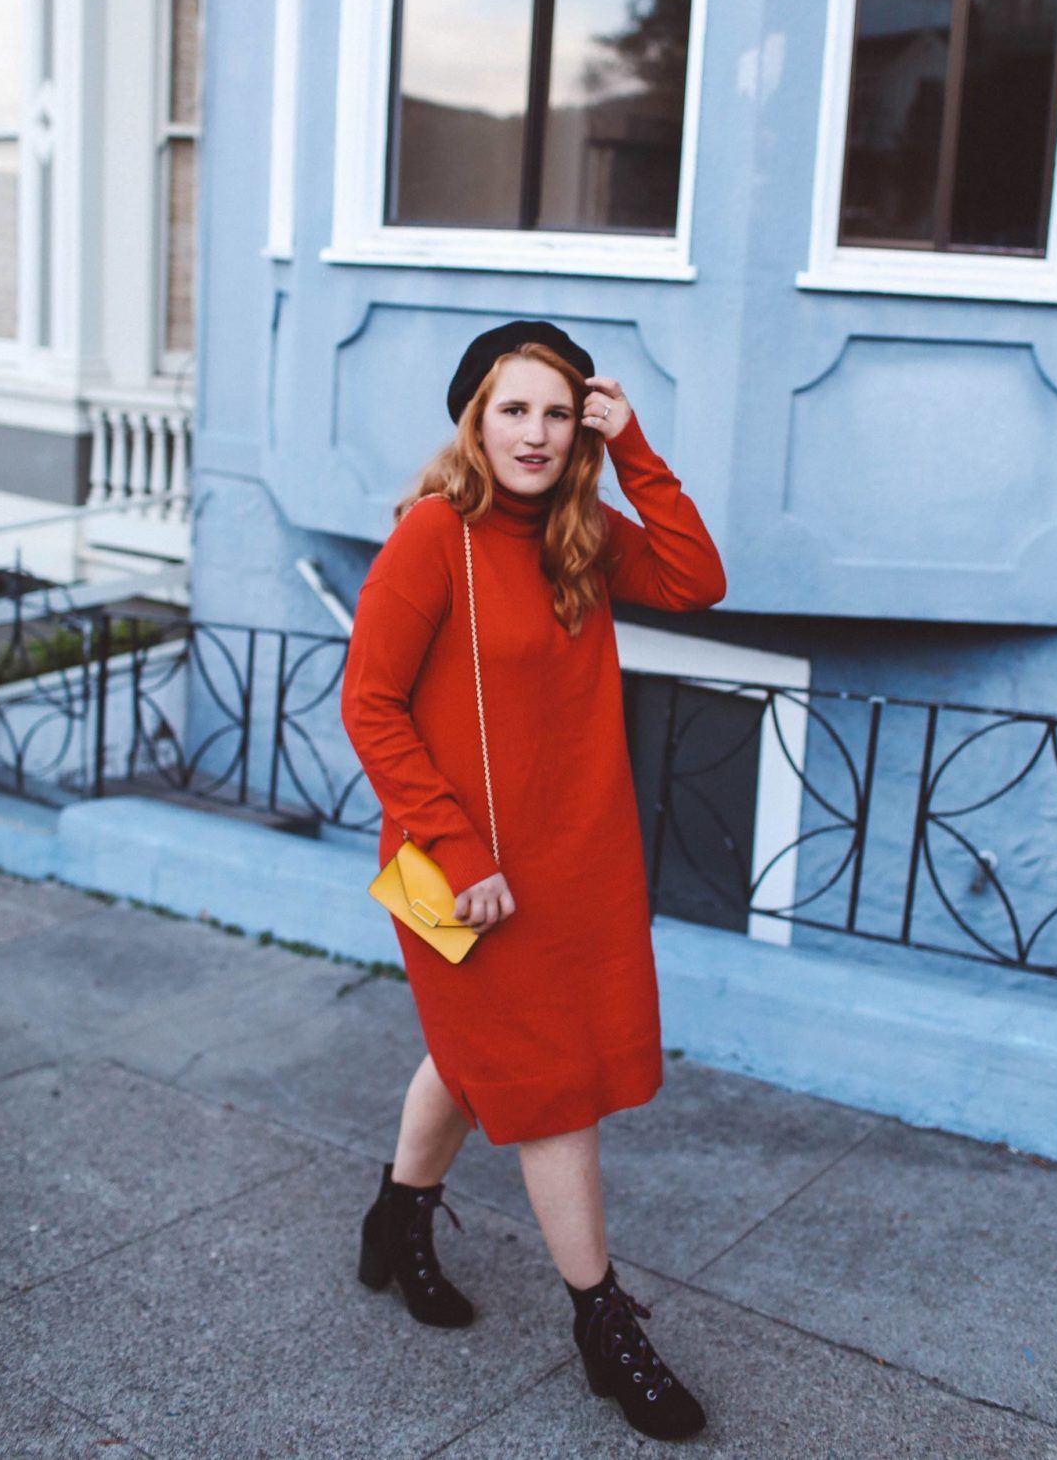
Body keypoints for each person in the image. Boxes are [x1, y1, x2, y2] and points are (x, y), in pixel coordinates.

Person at [340, 319, 726, 1441]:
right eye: (514, 409)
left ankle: (395, 1222)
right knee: (549, 1084)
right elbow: (368, 704)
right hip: (441, 869)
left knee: (470, 1061)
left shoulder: (582, 533)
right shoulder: (432, 535)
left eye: (558, 412)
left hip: (562, 867)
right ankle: (603, 1326)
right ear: (474, 417)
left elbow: (698, 578)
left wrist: (637, 447)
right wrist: (459, 856)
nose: (537, 432)